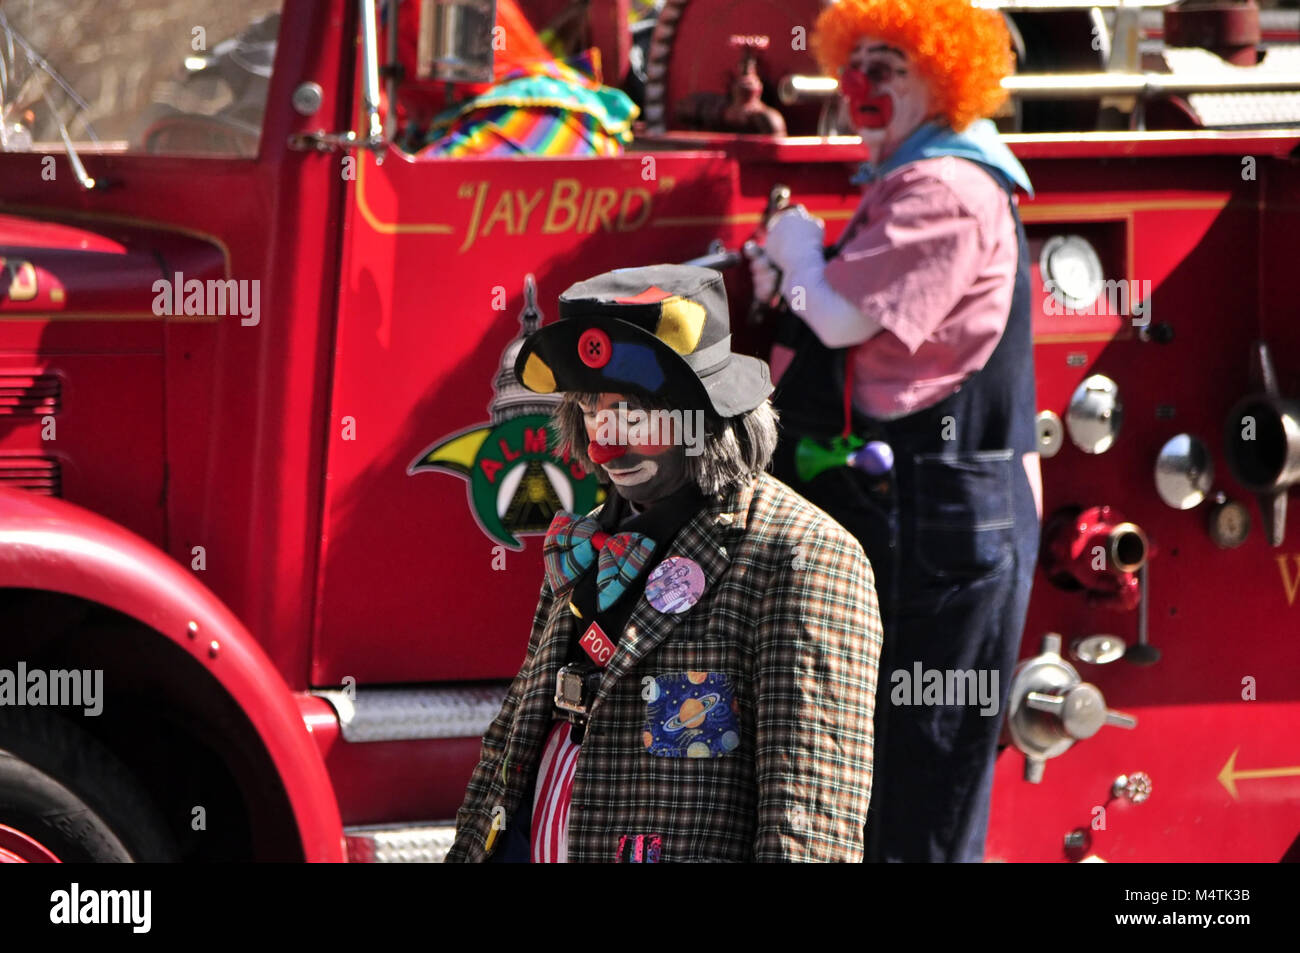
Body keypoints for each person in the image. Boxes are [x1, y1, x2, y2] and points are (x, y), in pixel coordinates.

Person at [445, 264, 882, 863]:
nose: (605, 442)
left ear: (708, 419)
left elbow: (810, 823)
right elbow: (513, 739)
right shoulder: (588, 535)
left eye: (635, 413)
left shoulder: (803, 556)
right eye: (595, 409)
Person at [749, 0, 1042, 863]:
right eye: (858, 61)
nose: (864, 82)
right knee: (878, 776)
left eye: (893, 64)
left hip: (944, 525)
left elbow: (838, 319)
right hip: (913, 510)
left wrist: (798, 252)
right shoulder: (910, 177)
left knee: (923, 788)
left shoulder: (945, 184)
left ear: (948, 77)